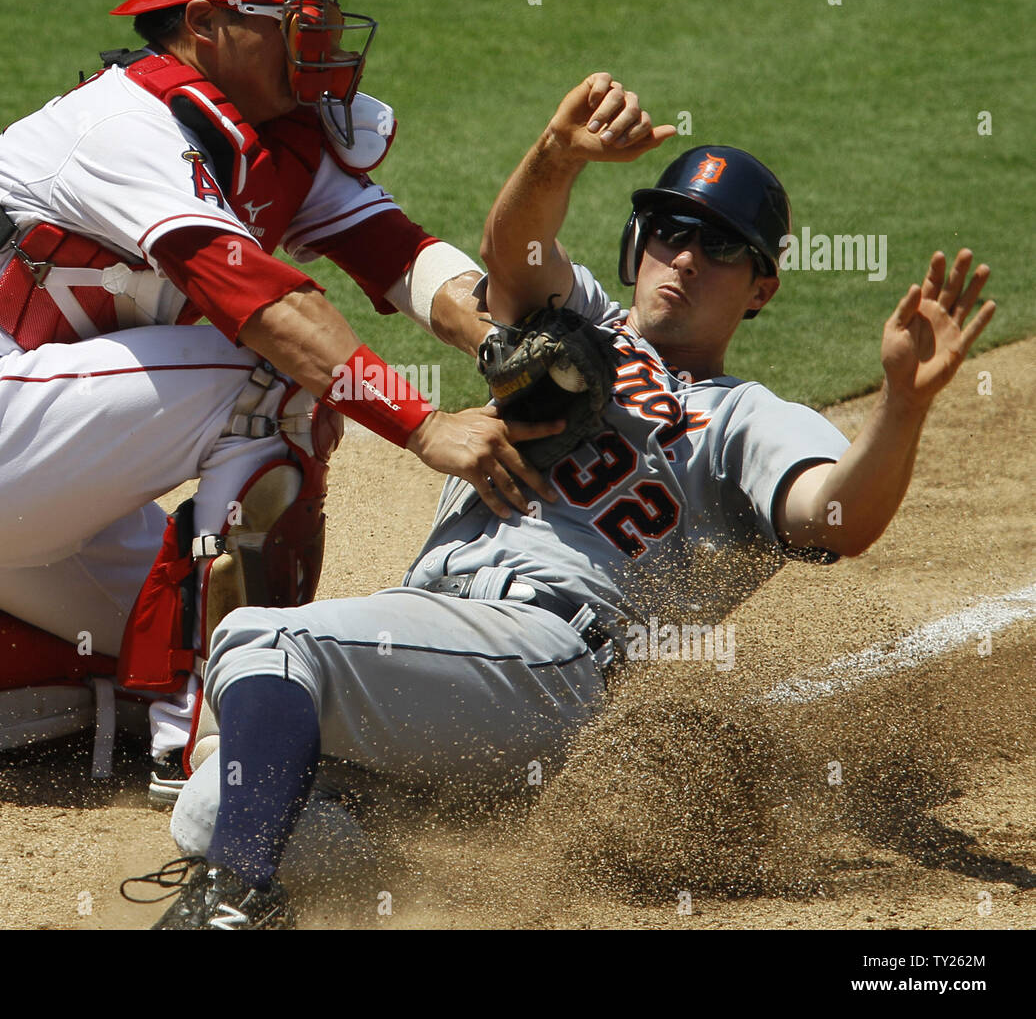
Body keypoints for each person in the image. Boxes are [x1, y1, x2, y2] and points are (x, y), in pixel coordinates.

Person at [137, 71, 997, 929]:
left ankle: (234, 908)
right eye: (670, 231)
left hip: (553, 661)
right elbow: (514, 254)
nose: (687, 257)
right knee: (213, 808)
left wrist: (902, 405)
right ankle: (430, 878)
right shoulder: (580, 323)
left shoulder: (747, 417)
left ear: (763, 286)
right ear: (638, 244)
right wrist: (557, 154)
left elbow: (838, 518)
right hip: (437, 651)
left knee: (264, 639)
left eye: (722, 247)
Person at [0, 0, 563, 797]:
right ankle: (197, 741)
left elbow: (402, 255)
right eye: (295, 12)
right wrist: (426, 428)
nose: (321, 32)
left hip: (35, 494)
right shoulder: (124, 125)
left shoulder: (270, 134)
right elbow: (268, 308)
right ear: (207, 25)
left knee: (206, 641)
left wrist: (505, 343)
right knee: (273, 372)